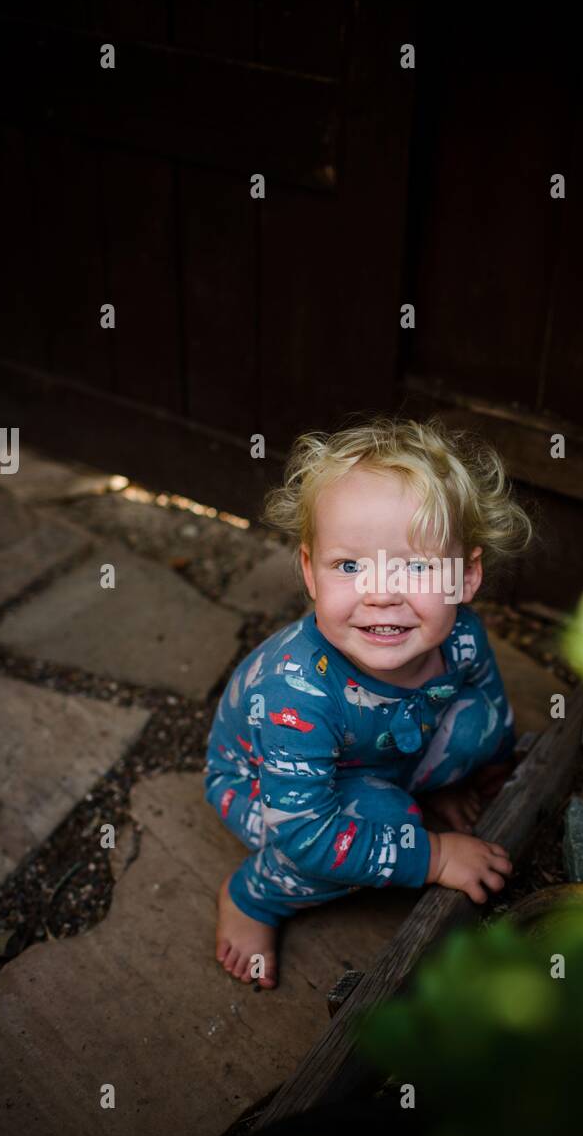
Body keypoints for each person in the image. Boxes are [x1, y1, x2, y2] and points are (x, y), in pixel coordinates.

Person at [205, 414, 534, 987]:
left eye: (416, 565)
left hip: (383, 751)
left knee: (479, 719)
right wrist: (433, 855)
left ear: (466, 576)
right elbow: (304, 835)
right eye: (349, 565)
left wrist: (486, 773)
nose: (380, 593)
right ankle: (254, 898)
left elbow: (490, 702)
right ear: (310, 570)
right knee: (381, 821)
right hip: (265, 790)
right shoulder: (296, 694)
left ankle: (419, 787)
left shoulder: (460, 636)